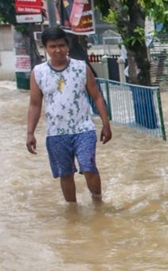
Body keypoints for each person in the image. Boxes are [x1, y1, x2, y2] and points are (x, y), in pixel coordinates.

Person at [26, 27, 112, 203]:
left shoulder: (81, 68)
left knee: (89, 167)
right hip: (56, 133)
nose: (57, 50)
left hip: (84, 129)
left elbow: (96, 96)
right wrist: (30, 133)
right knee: (65, 173)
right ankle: (72, 210)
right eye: (52, 46)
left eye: (61, 45)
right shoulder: (38, 72)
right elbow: (35, 104)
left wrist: (106, 123)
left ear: (67, 46)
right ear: (46, 48)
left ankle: (98, 202)